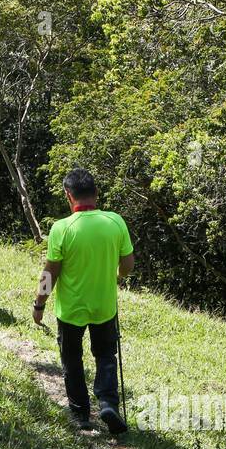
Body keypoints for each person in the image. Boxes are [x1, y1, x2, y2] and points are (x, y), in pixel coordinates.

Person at [32, 168, 135, 434]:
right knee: (105, 355)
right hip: (105, 306)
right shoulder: (115, 222)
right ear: (97, 193)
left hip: (70, 310)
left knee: (72, 360)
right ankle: (108, 402)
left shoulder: (61, 228)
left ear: (69, 196)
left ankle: (80, 414)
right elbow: (128, 265)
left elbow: (49, 273)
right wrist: (116, 275)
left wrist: (39, 304)